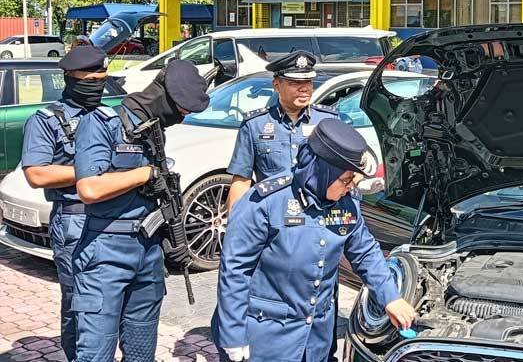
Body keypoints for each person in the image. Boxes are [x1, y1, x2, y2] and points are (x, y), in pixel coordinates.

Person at [211, 118, 417, 361]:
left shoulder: (346, 204)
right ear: (321, 170)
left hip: (316, 340)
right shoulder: (265, 203)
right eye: (345, 179)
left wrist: (390, 296)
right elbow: (235, 271)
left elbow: (365, 252)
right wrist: (233, 336)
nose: (350, 186)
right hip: (266, 336)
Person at [72, 60, 209, 361]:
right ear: (164, 98)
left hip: (147, 255)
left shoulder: (153, 134)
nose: (182, 119)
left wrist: (175, 242)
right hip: (105, 253)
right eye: (181, 111)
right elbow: (89, 189)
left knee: (141, 353)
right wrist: (145, 175)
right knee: (96, 353)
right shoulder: (103, 123)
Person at [20, 45, 109, 362]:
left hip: (110, 218)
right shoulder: (46, 120)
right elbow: (37, 174)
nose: (98, 82)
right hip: (74, 219)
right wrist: (92, 173)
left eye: (103, 76)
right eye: (91, 77)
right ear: (71, 78)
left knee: (108, 301)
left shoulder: (106, 116)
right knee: (79, 301)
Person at [226, 50, 343, 212]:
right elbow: (241, 181)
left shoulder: (328, 122)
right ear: (276, 85)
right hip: (271, 216)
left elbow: (347, 174)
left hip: (317, 216)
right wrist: (234, 226)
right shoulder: (255, 125)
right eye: (294, 83)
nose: (304, 89)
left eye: (308, 82)